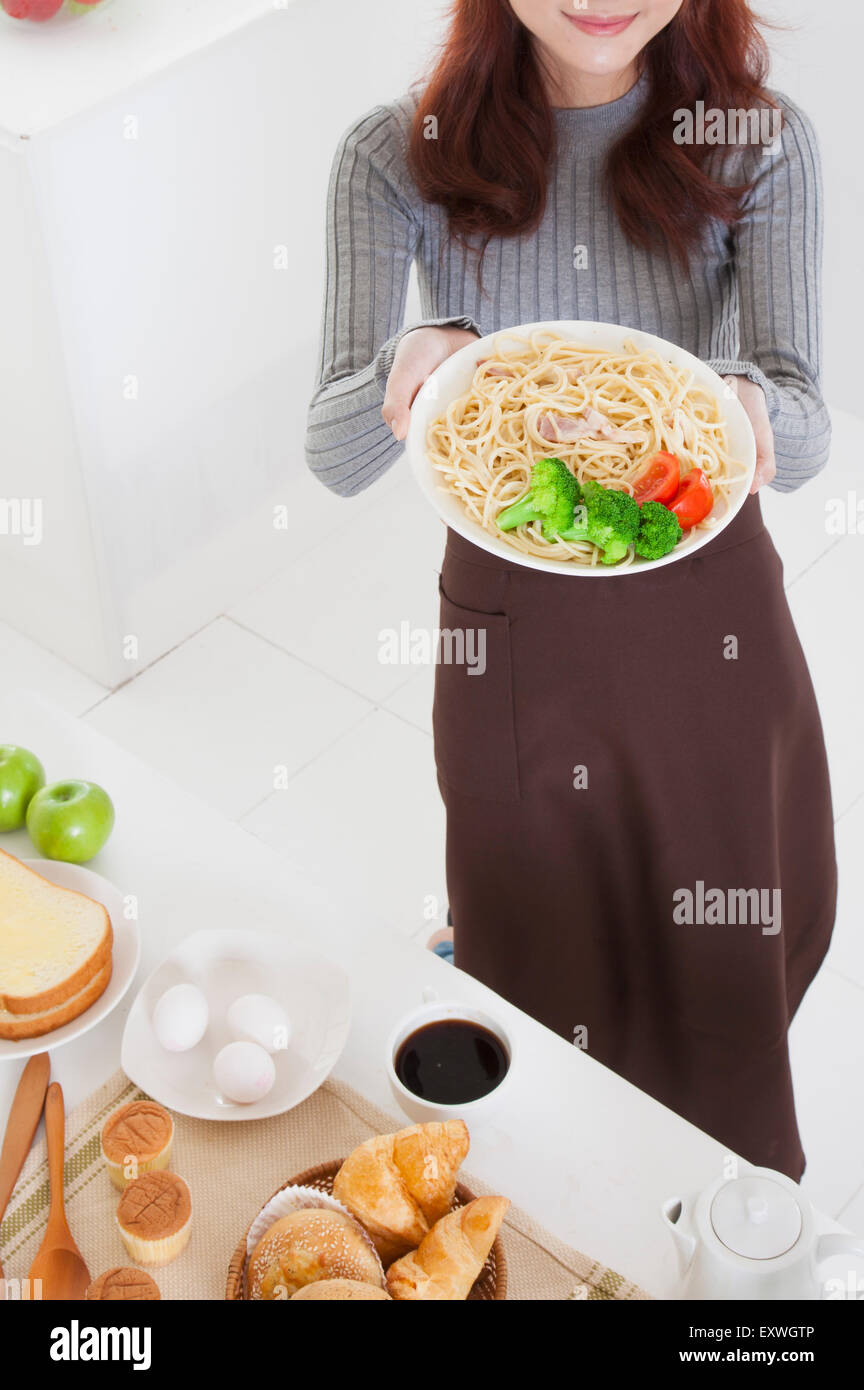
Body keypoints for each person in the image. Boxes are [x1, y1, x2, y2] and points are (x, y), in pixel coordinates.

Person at [305, 0, 835, 1180]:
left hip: (708, 610)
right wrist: (406, 370)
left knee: (718, 945)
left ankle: (721, 1216)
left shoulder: (756, 139)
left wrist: (749, 407)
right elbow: (332, 456)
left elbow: (804, 427)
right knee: (529, 936)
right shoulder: (393, 154)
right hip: (511, 623)